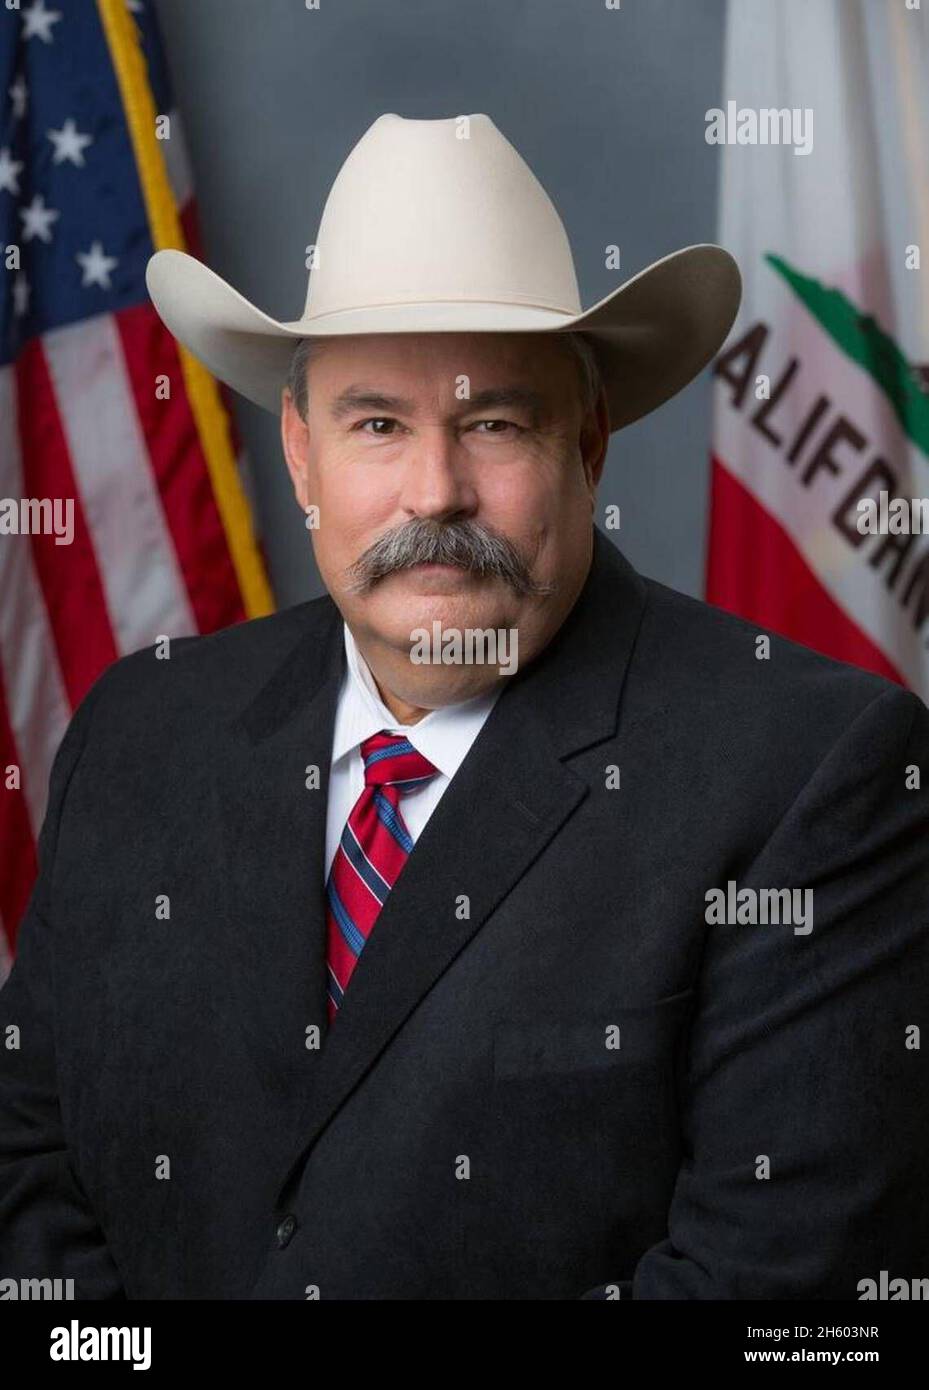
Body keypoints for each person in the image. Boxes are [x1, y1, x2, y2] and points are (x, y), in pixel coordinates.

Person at [1, 113, 926, 1300]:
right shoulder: (139, 731)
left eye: (492, 420)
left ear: (586, 441)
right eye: (376, 422)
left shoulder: (810, 772)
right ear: (298, 452)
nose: (434, 489)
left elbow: (775, 1290)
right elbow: (26, 1170)